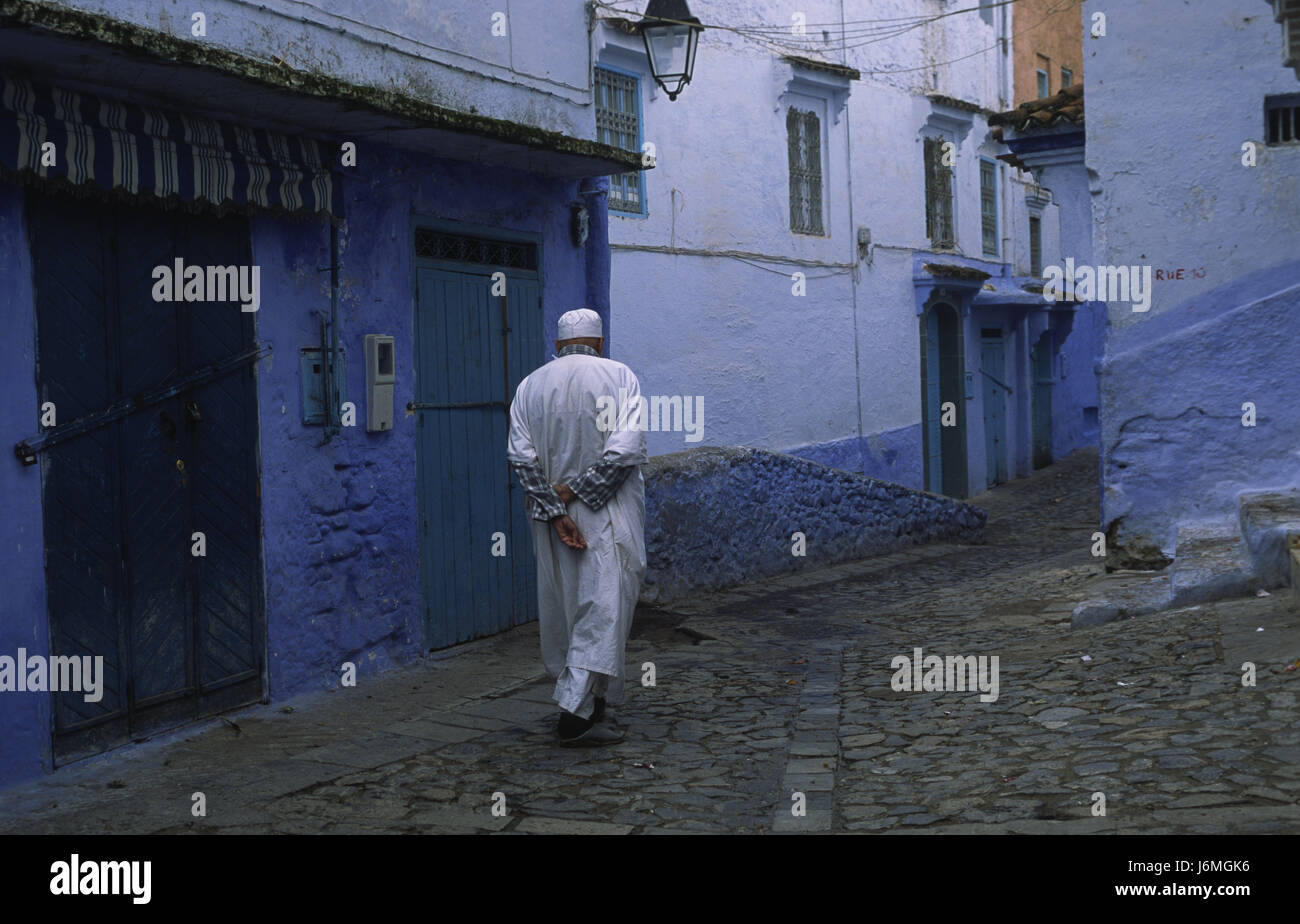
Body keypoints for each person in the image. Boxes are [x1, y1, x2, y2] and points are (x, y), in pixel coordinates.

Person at [506, 308, 647, 747]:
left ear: (559, 344)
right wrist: (576, 493)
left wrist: (555, 506)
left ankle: (589, 699)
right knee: (603, 608)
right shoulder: (619, 376)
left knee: (566, 606)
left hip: (550, 518)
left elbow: (520, 457)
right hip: (605, 513)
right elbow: (627, 450)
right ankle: (576, 708)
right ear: (599, 342)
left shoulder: (531, 385)